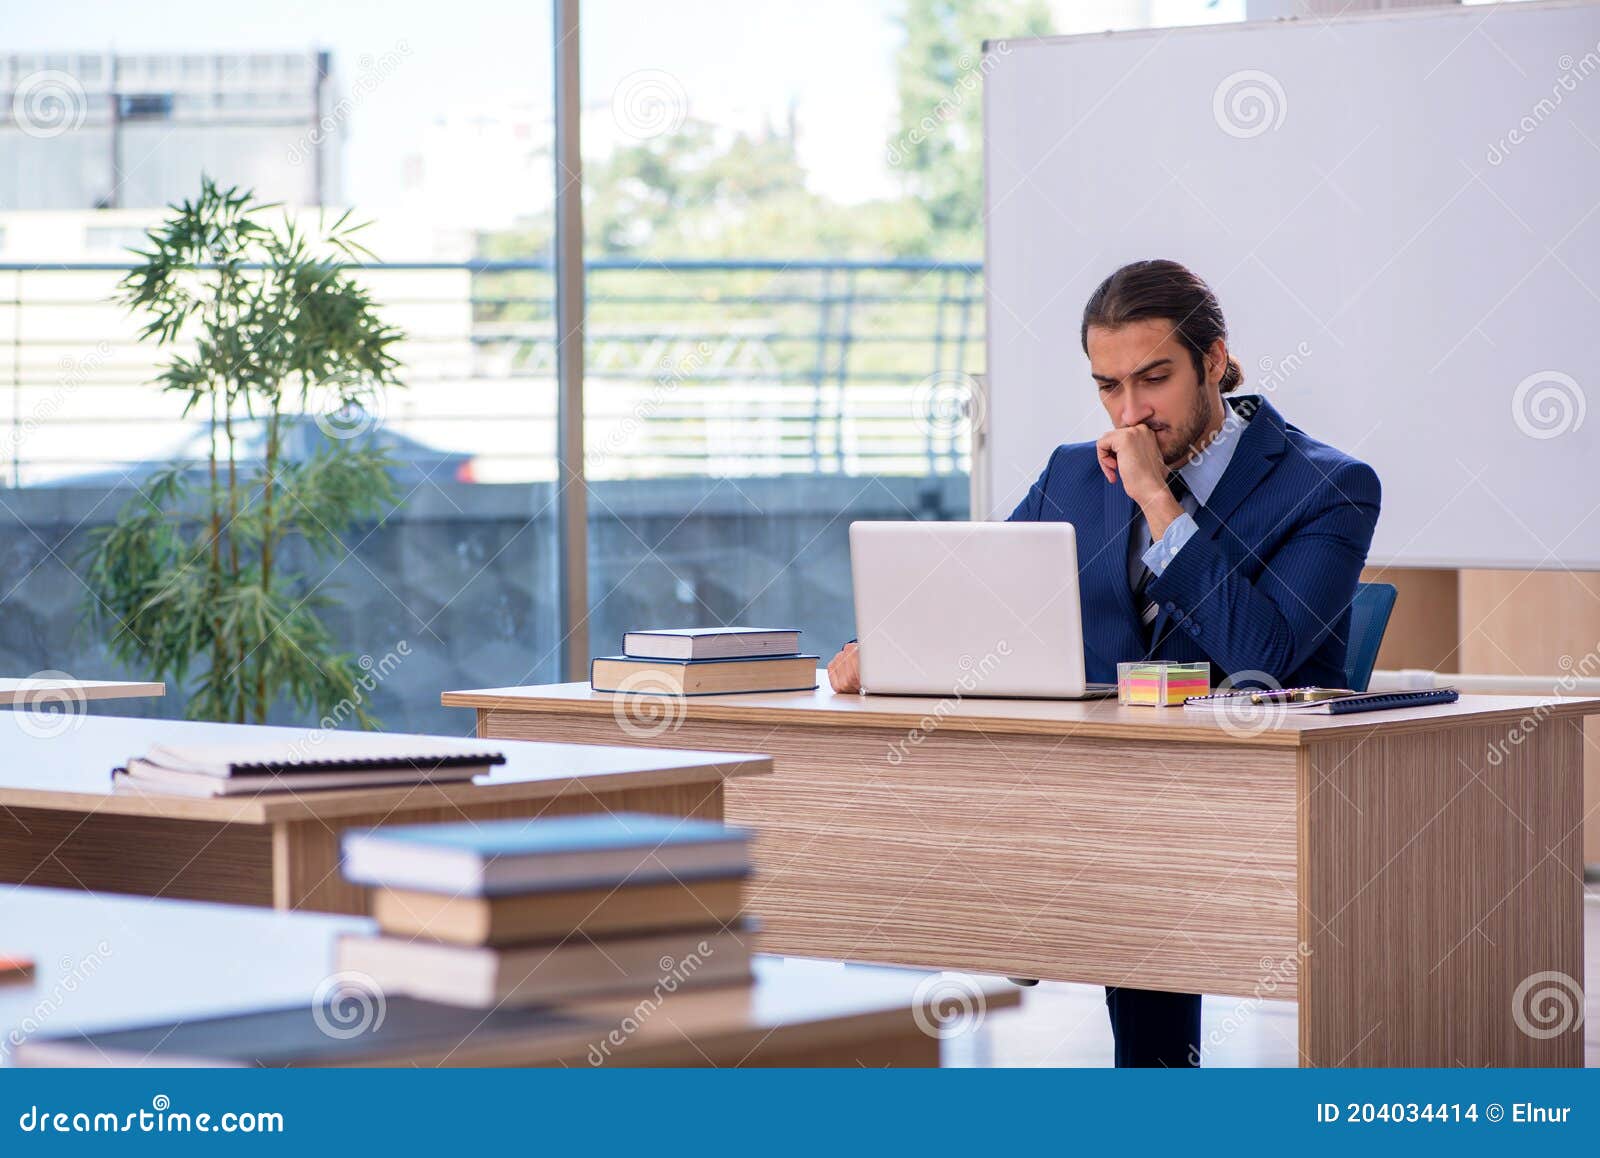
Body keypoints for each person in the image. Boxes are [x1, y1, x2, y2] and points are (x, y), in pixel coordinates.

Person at [826, 258, 1381, 1067]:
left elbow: (1261, 657)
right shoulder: (1071, 476)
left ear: (1215, 361)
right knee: (875, 850)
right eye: (1108, 387)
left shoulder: (1327, 487)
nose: (1130, 412)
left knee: (1122, 874)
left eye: (1153, 380)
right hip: (1095, 793)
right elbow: (980, 592)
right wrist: (884, 646)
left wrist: (1159, 502)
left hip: (1241, 802)